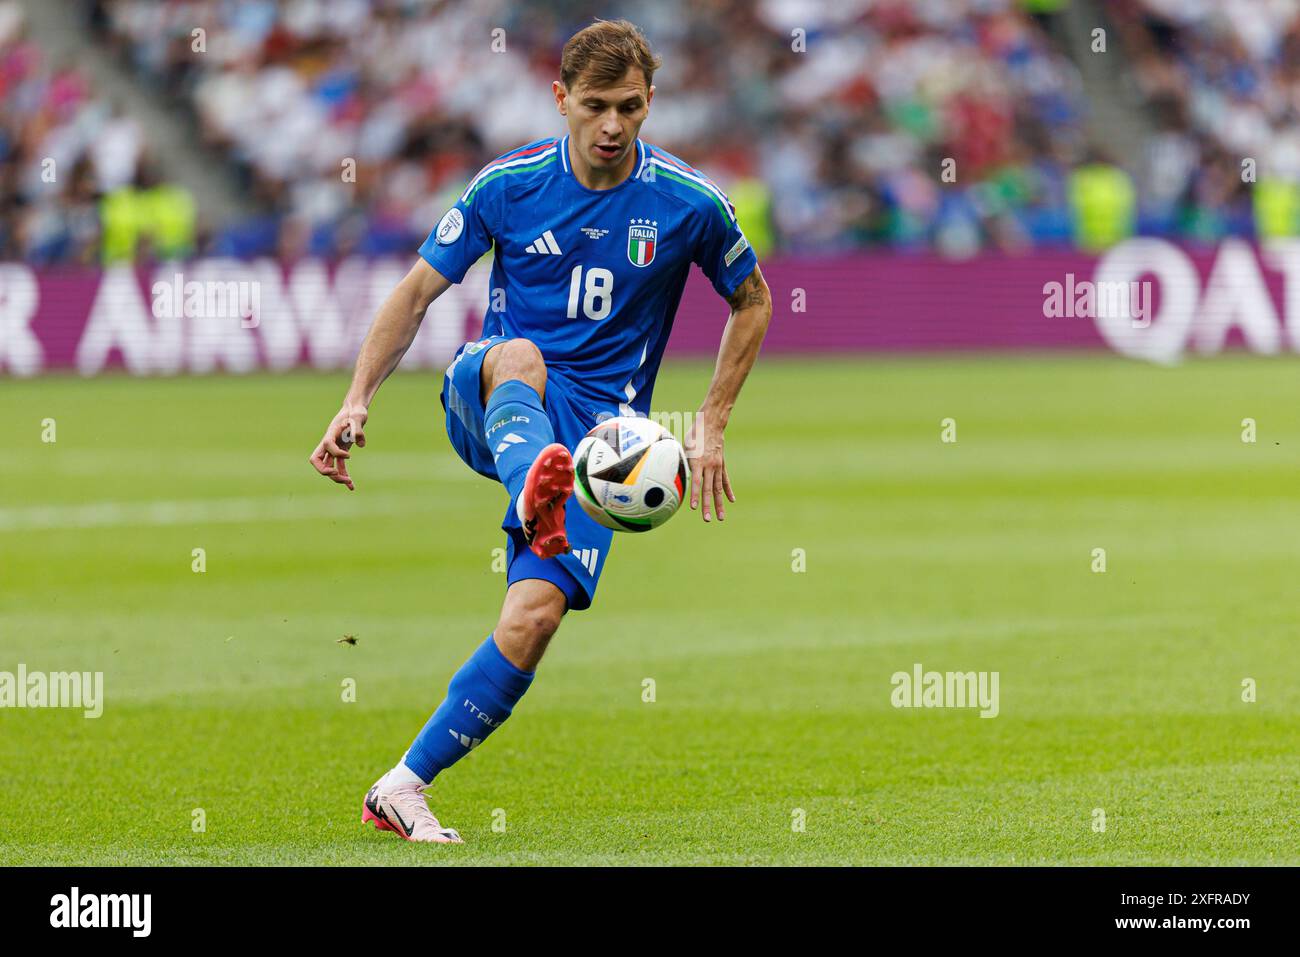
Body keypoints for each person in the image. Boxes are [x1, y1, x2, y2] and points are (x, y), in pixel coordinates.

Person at [309, 18, 772, 843]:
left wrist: (710, 422)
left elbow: (753, 298)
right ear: (561, 99)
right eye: (595, 106)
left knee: (532, 619)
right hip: (493, 395)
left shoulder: (689, 203)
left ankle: (403, 785)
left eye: (631, 107)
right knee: (519, 352)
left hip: (601, 447)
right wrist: (355, 399)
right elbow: (417, 293)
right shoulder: (508, 185)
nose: (613, 126)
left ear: (650, 101)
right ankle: (533, 485)